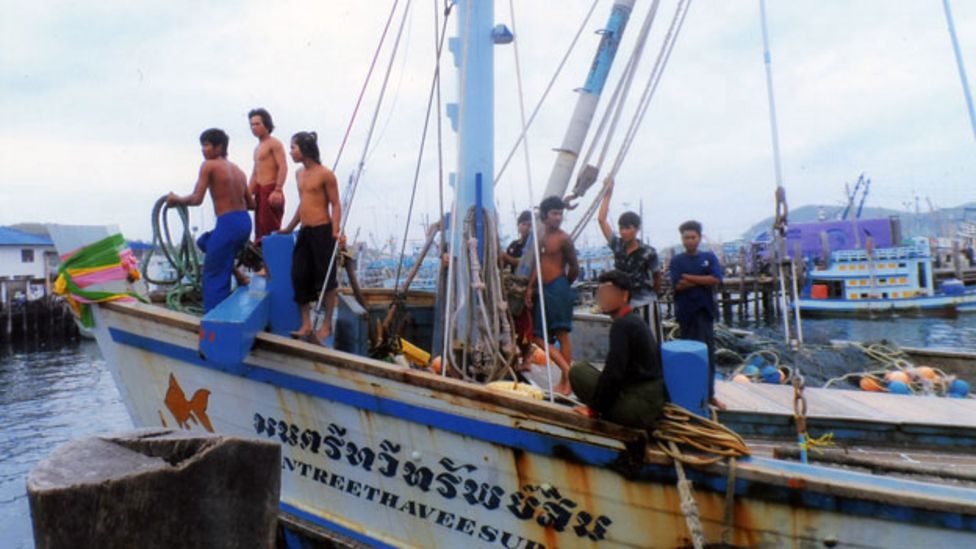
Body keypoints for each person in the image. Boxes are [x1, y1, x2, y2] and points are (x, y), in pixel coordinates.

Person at [167, 129, 253, 313]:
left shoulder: (209, 165)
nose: (203, 150)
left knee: (213, 274)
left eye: (206, 145)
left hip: (228, 223)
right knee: (204, 242)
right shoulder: (238, 170)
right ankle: (239, 275)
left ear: (219, 147)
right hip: (244, 222)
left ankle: (214, 320)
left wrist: (176, 200)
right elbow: (251, 204)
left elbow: (197, 199)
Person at [569, 270, 665, 430]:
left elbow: (614, 372)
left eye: (607, 293)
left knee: (578, 372)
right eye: (599, 293)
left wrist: (594, 409)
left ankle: (602, 409)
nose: (602, 298)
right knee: (588, 371)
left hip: (638, 409)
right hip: (649, 402)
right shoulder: (634, 321)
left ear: (624, 296)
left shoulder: (622, 325)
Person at [279, 131, 341, 345]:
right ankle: (306, 324)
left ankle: (326, 324)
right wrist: (289, 228)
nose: (291, 152)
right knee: (299, 275)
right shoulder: (298, 174)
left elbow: (335, 203)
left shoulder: (326, 174)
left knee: (327, 280)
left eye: (293, 147)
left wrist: (336, 230)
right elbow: (303, 204)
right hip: (304, 232)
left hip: (323, 230)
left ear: (305, 149)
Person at [669, 220, 724, 408]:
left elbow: (716, 279)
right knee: (688, 354)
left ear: (699, 238)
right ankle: (691, 394)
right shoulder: (677, 261)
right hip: (686, 314)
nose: (690, 241)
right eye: (686, 237)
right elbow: (678, 284)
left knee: (707, 354)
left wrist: (689, 277)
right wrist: (703, 279)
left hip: (705, 312)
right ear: (682, 239)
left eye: (693, 237)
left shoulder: (709, 257)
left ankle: (710, 394)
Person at [527, 196, 579, 395]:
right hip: (542, 288)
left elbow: (574, 266)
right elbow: (537, 265)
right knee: (538, 336)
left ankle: (567, 381)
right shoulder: (540, 237)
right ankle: (568, 372)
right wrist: (530, 288)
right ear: (545, 216)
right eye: (554, 213)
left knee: (561, 334)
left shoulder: (564, 238)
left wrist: (564, 285)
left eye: (560, 213)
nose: (558, 217)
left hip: (558, 287)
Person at [597, 178, 661, 303]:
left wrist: (654, 294)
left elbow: (657, 277)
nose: (623, 232)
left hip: (644, 299)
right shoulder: (617, 245)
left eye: (628, 228)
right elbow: (601, 220)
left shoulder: (649, 252)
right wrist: (608, 194)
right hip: (622, 299)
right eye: (621, 228)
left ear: (636, 229)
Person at [247, 108, 288, 245]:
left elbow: (283, 166)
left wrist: (278, 189)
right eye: (252, 124)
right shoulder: (257, 148)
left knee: (270, 229)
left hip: (271, 189)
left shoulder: (274, 143)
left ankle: (271, 263)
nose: (254, 128)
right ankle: (262, 262)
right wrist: (246, 195)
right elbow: (255, 174)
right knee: (259, 231)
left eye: (257, 124)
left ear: (267, 124)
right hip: (260, 191)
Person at [501, 210, 534, 368]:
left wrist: (505, 257)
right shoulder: (514, 245)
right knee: (510, 324)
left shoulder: (534, 247)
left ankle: (527, 357)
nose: (526, 227)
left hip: (525, 289)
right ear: (518, 226)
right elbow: (504, 264)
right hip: (512, 291)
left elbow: (522, 263)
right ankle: (513, 358)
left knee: (524, 327)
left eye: (529, 224)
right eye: (523, 224)